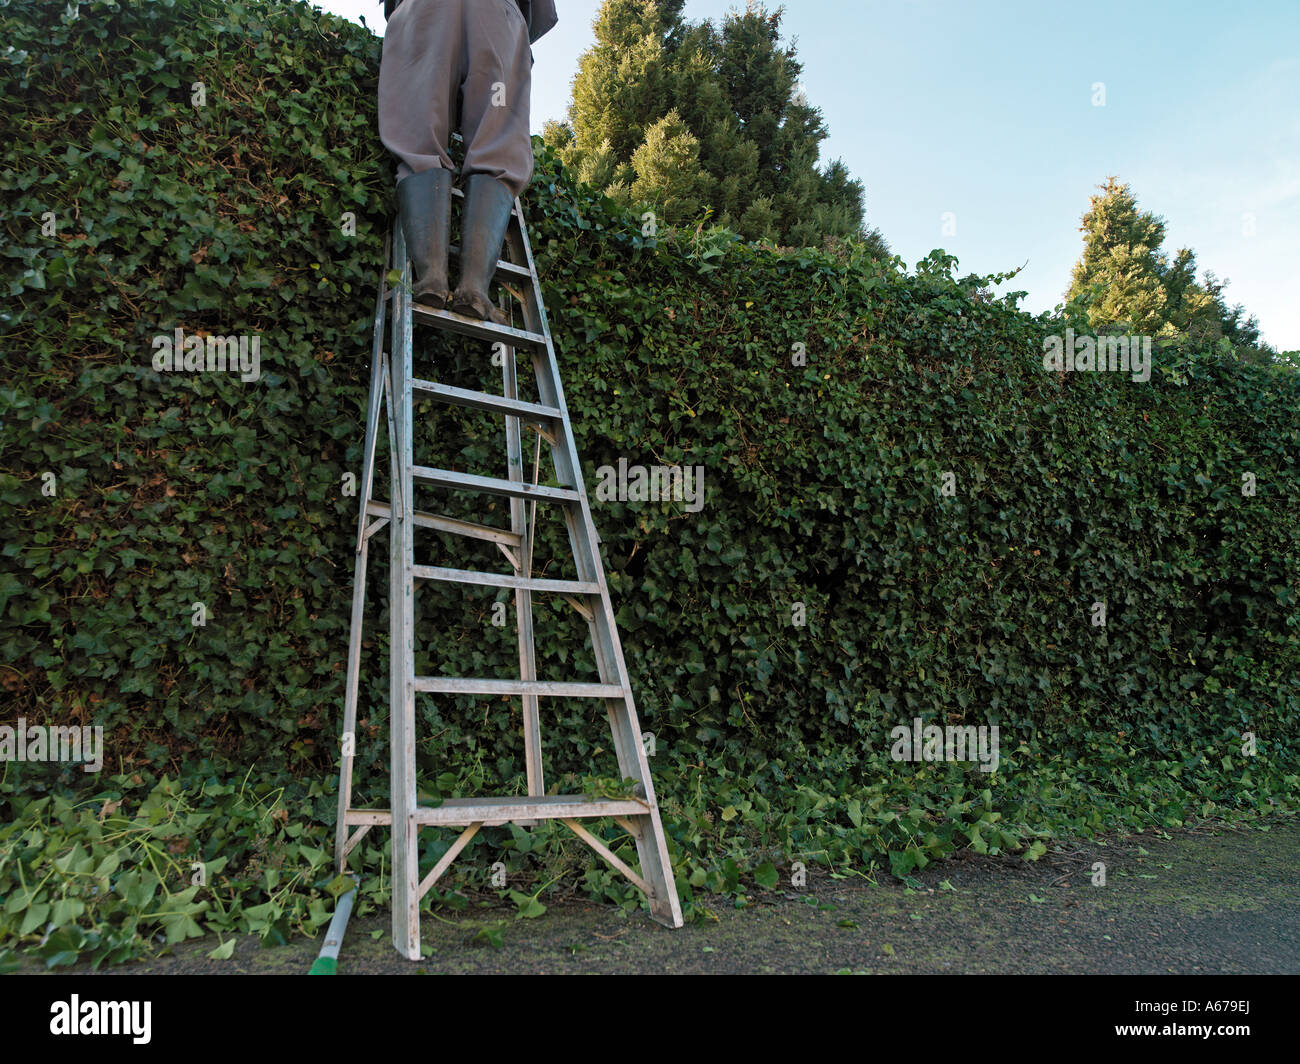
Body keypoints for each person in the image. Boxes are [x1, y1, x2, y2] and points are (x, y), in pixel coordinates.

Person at [378, 0, 558, 324]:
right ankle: (474, 290)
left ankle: (431, 278)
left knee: (418, 139)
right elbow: (543, 13)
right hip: (497, 13)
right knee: (498, 146)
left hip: (425, 9)